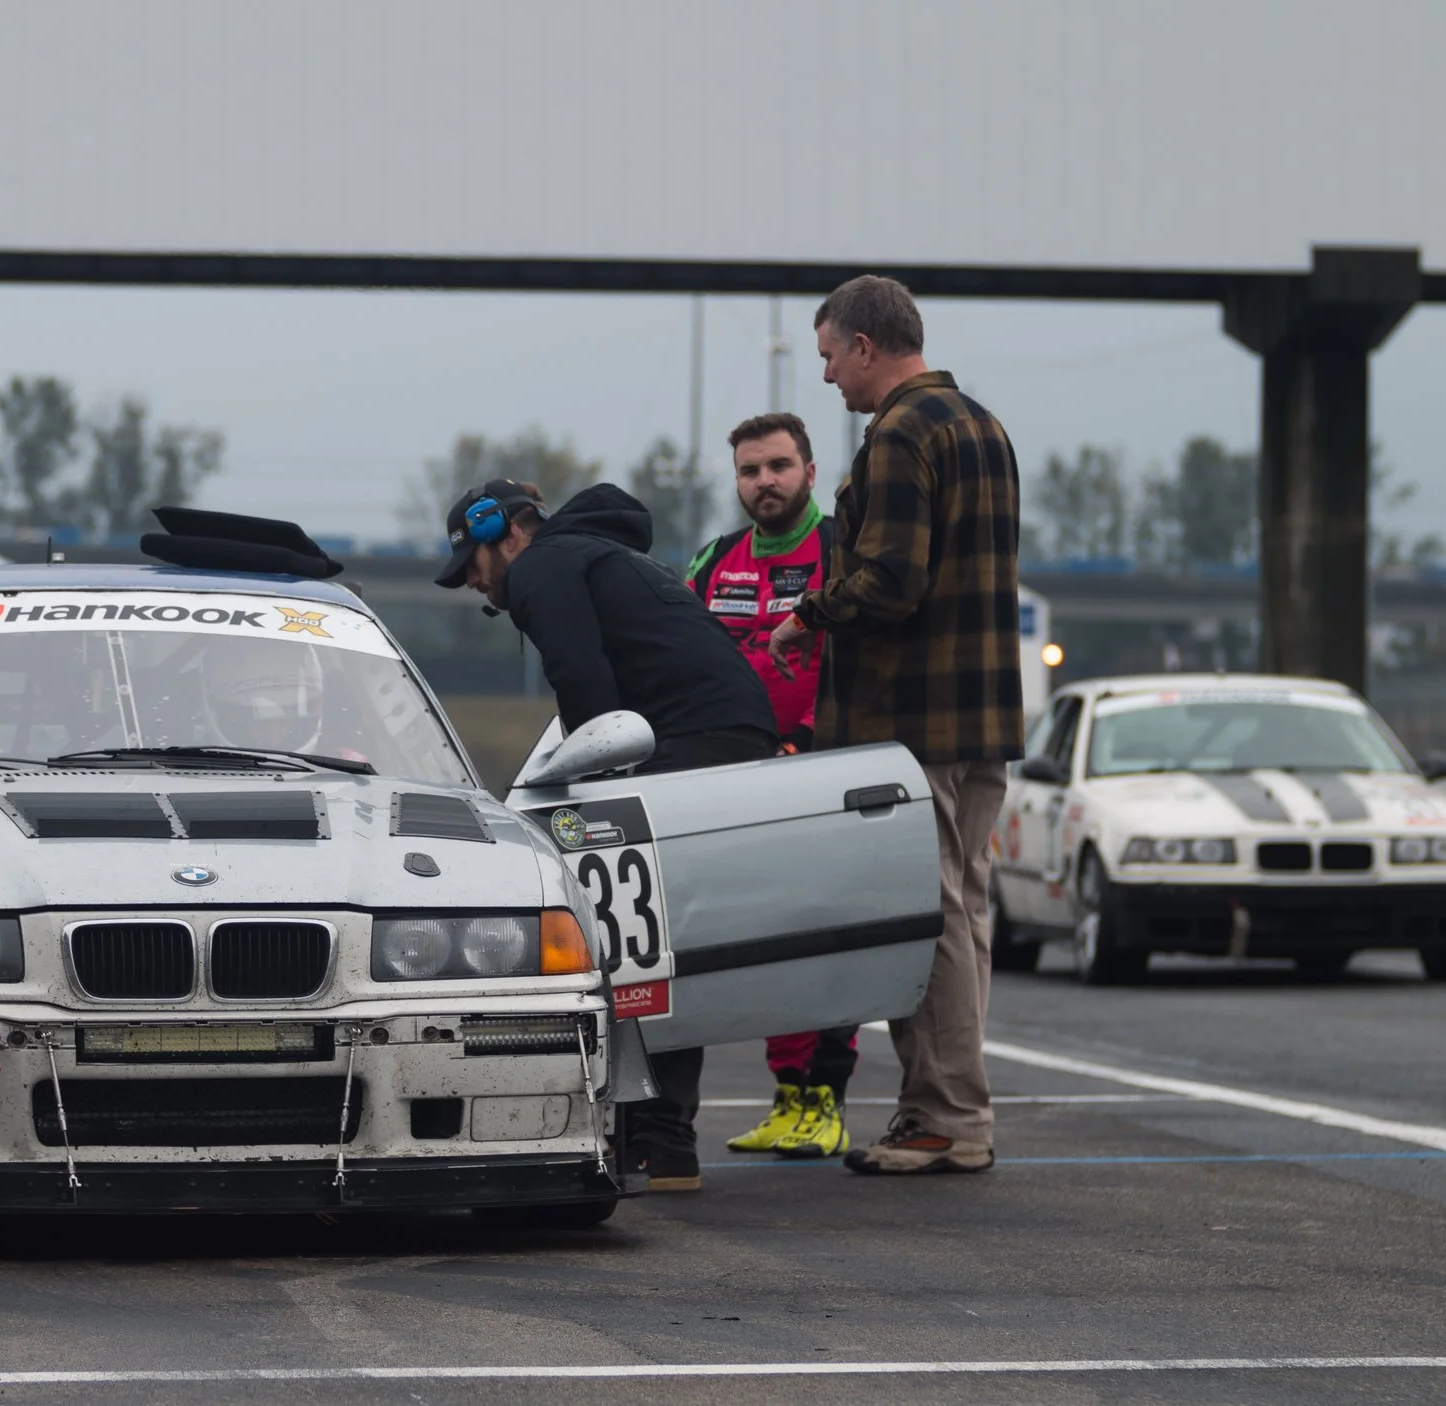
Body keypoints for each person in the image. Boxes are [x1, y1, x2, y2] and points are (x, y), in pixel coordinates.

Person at [437, 477, 778, 1192]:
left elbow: (583, 686)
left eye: (471, 559)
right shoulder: (596, 554)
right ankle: (659, 1139)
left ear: (503, 532)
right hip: (724, 730)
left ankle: (657, 1140)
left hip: (690, 739)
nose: (471, 581)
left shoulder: (541, 566)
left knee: (635, 947)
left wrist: (585, 790)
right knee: (660, 943)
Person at [769, 276, 1023, 1175]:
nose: (830, 377)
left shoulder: (902, 434)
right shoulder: (982, 426)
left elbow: (892, 580)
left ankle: (947, 1116)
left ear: (867, 347)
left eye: (832, 356)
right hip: (981, 715)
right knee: (966, 908)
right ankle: (947, 1110)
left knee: (934, 916)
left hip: (915, 717)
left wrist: (809, 613)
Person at [681, 413, 857, 1160]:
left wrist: (810, 738)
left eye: (780, 466)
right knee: (766, 943)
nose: (766, 482)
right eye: (752, 471)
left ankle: (825, 1099)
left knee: (824, 940)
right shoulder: (715, 560)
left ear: (810, 473)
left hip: (822, 778)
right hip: (738, 788)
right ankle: (787, 1098)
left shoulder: (839, 553)